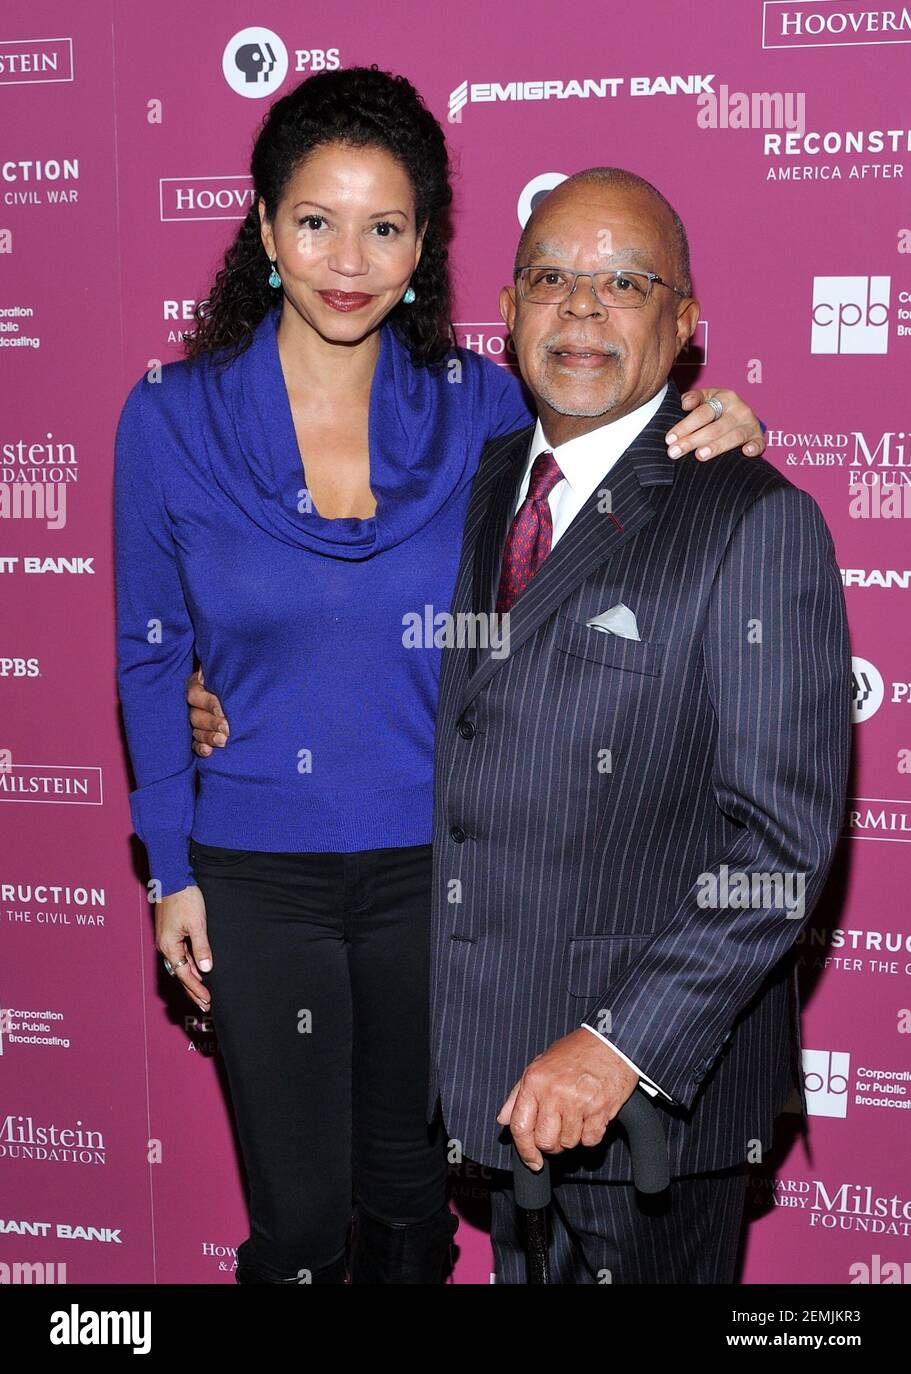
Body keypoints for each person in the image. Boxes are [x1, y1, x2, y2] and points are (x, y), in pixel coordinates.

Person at [117, 66, 765, 1286]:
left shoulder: (479, 410)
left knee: (416, 1209)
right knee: (301, 1229)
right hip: (257, 872)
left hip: (442, 869)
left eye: (384, 224)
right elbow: (150, 659)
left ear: (423, 244)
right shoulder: (170, 420)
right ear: (263, 230)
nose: (347, 258)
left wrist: (723, 425)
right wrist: (172, 867)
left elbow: (616, 435)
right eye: (315, 221)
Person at [424, 167, 851, 1282]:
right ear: (507, 309)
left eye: (624, 281)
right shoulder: (479, 488)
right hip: (493, 1084)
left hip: (649, 1114)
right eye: (551, 278)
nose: (579, 308)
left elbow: (780, 847)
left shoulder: (753, 519)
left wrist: (619, 1047)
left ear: (684, 323)